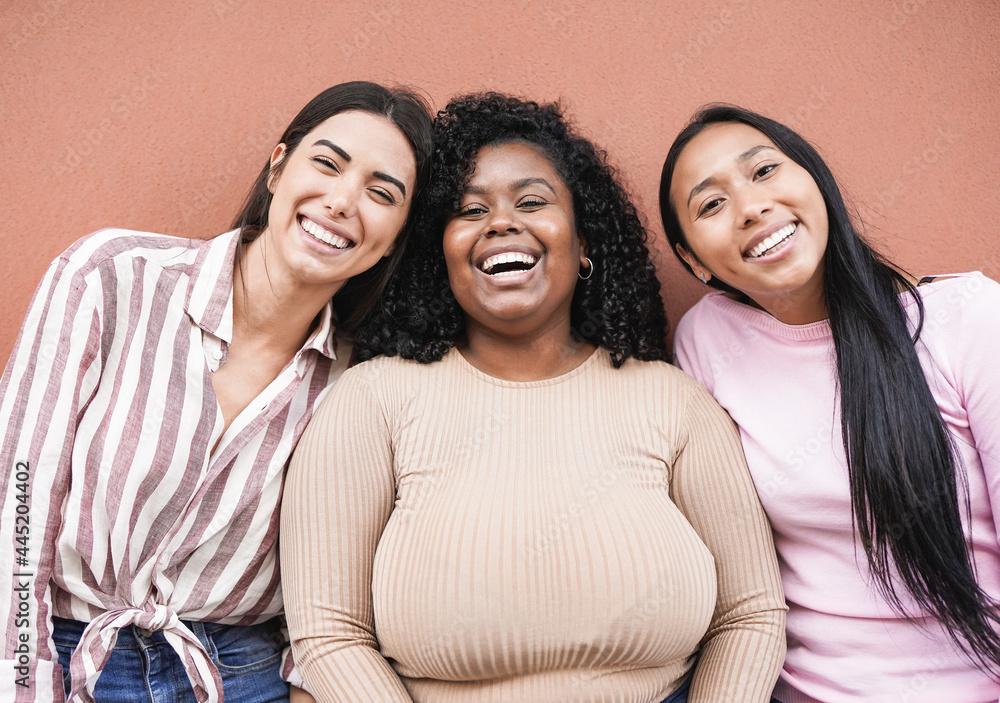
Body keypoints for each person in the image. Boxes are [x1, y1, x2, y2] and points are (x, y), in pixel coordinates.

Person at [281, 93, 786, 703]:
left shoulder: (677, 405)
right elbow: (330, 634)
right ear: (440, 255)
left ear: (584, 244)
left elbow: (750, 613)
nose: (501, 222)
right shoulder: (371, 402)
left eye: (531, 202)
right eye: (470, 210)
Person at [0, 80, 432, 703]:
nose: (342, 201)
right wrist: (24, 683)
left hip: (239, 675)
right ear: (278, 167)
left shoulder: (359, 379)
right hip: (70, 654)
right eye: (327, 164)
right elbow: (18, 507)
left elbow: (342, 587)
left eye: (381, 193)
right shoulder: (111, 277)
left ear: (396, 235)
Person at [659, 105, 1000, 702]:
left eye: (764, 171)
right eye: (711, 204)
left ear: (816, 181)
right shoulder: (706, 341)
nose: (751, 208)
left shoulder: (967, 319)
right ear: (693, 261)